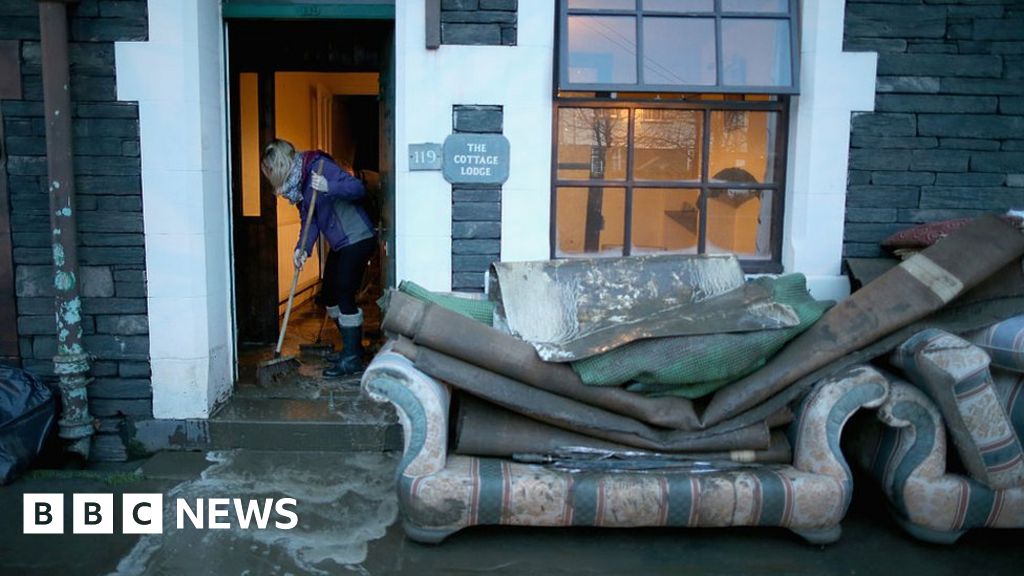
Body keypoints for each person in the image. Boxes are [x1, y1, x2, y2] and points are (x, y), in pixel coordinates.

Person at [261, 139, 377, 377]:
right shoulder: (301, 183)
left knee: (344, 292)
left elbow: (357, 189)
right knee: (329, 296)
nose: (271, 176)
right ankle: (350, 347)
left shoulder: (320, 167)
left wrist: (329, 187)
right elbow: (310, 219)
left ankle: (353, 358)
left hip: (357, 237)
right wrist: (302, 249)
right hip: (341, 243)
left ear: (282, 165)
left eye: (272, 171)